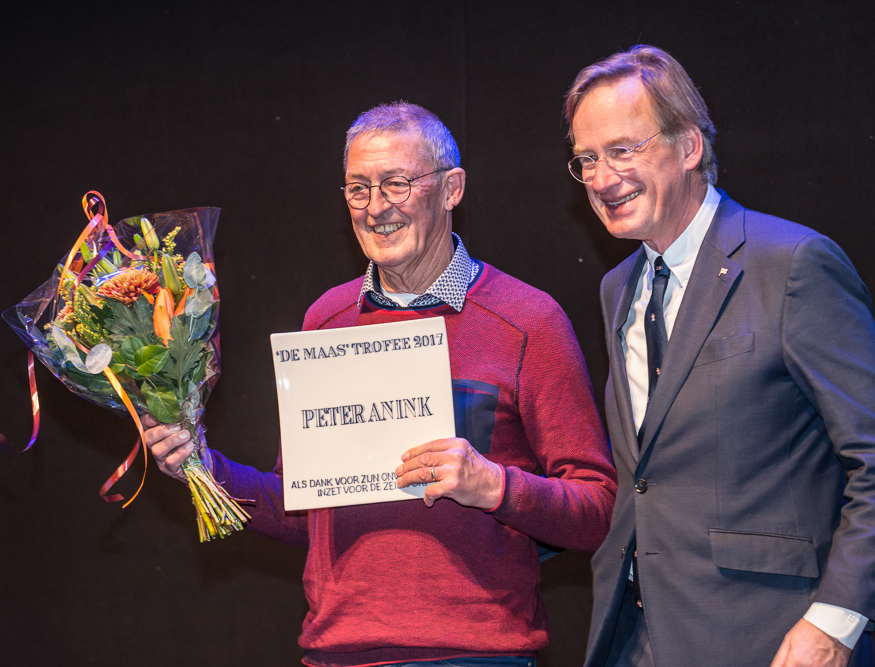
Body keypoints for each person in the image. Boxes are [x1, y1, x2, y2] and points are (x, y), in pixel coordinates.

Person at [144, 101, 618, 667]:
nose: (376, 208)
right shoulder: (326, 320)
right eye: (358, 189)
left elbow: (599, 510)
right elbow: (303, 510)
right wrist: (202, 467)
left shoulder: (528, 321)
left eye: (397, 184)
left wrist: (495, 486)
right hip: (334, 654)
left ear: (452, 189)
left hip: (472, 656)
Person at [564, 45, 875, 667]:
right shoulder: (617, 289)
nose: (600, 178)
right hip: (634, 639)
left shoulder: (792, 265)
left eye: (622, 149)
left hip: (770, 637)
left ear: (689, 146)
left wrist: (835, 624)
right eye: (587, 158)